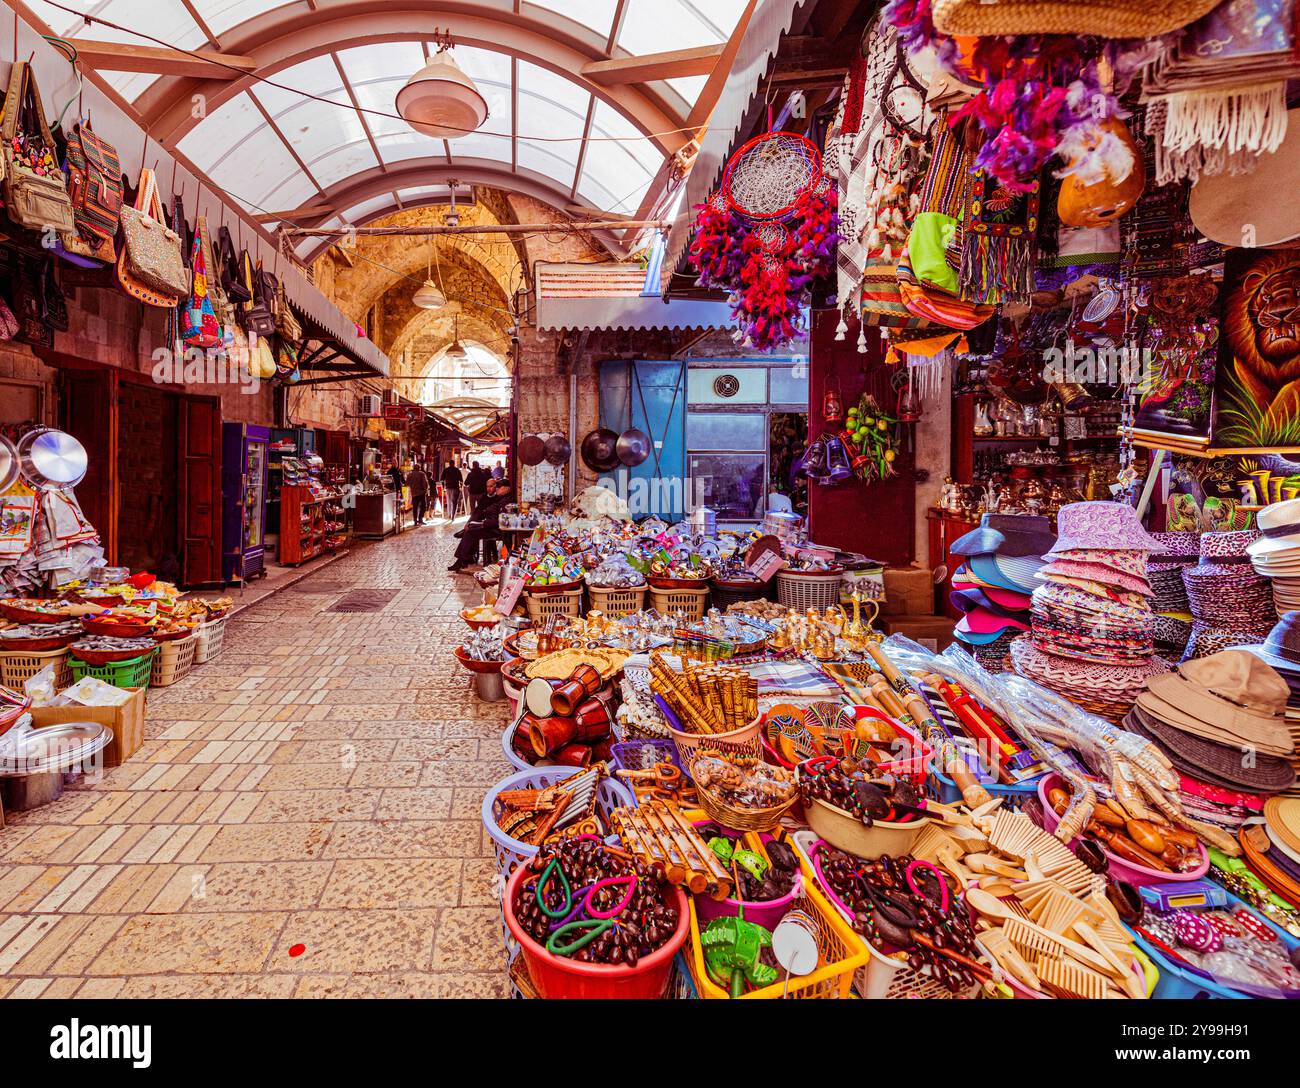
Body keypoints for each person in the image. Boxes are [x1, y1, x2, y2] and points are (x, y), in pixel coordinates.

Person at [448, 477, 511, 572]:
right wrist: (471, 522)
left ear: (506, 489)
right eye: (488, 486)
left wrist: (482, 523)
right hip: (490, 524)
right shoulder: (497, 497)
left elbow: (498, 519)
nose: (496, 489)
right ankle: (463, 560)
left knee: (471, 532)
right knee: (471, 529)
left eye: (498, 487)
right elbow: (479, 511)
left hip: (495, 528)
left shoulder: (504, 500)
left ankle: (462, 560)